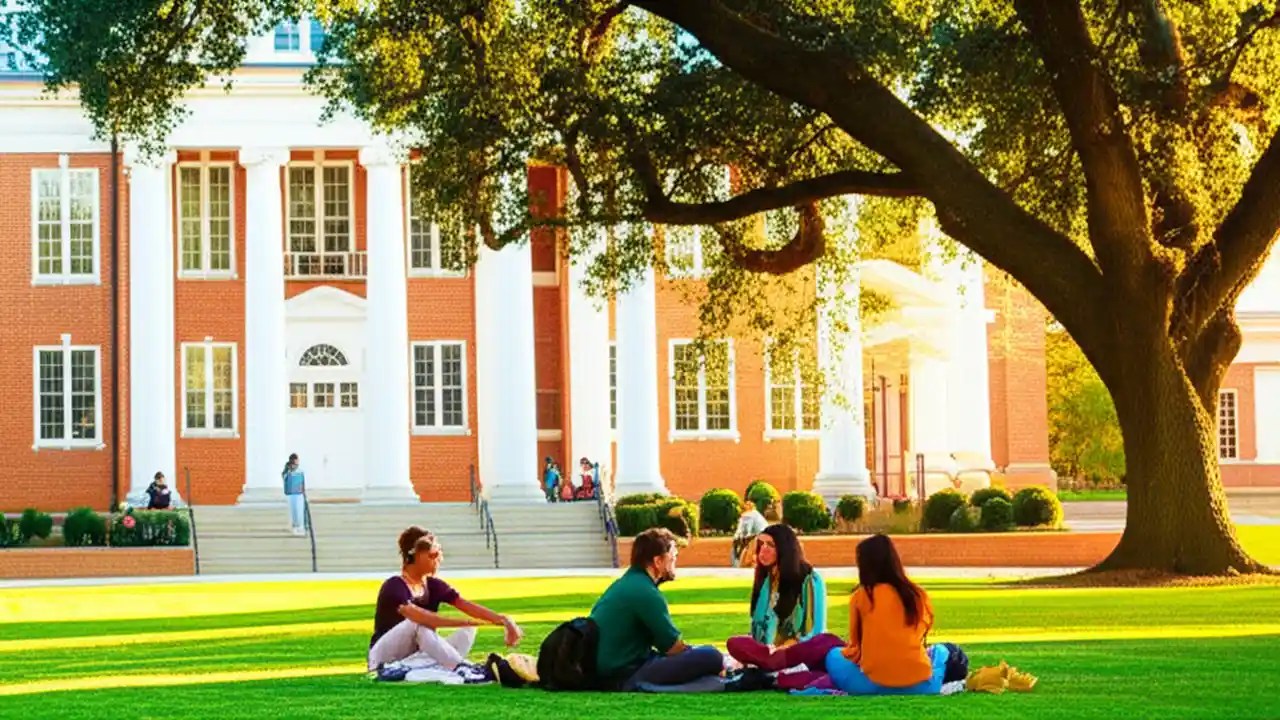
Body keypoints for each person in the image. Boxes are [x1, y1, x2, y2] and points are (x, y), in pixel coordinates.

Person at [368, 526, 524, 671]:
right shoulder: (394, 586)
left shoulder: (433, 585)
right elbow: (422, 617)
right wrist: (465, 621)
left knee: (468, 629)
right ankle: (462, 668)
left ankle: (442, 666)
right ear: (416, 555)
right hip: (383, 657)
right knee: (418, 624)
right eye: (434, 555)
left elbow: (467, 606)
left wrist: (504, 620)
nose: (439, 559)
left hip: (414, 657)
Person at [590, 528, 724, 691]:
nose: (675, 562)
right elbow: (673, 648)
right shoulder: (645, 592)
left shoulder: (627, 584)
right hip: (625, 674)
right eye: (672, 558)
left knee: (702, 655)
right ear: (658, 561)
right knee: (712, 656)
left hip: (608, 671)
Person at [725, 525, 838, 688]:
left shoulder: (810, 579)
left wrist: (782, 649)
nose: (763, 550)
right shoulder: (765, 581)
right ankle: (772, 672)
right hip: (769, 653)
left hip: (797, 650)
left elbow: (815, 629)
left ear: (784, 548)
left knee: (827, 644)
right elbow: (759, 630)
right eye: (761, 544)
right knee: (735, 643)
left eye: (770, 545)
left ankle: (770, 672)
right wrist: (765, 648)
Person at [730, 501, 767, 567]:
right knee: (750, 546)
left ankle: (743, 564)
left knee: (749, 547)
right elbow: (743, 528)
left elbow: (747, 528)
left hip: (761, 534)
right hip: (763, 533)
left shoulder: (750, 515)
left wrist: (741, 536)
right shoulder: (754, 513)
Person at [282, 453, 306, 535]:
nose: (296, 465)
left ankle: (301, 526)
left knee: (300, 510)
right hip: (291, 494)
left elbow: (303, 482)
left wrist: (303, 491)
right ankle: (294, 526)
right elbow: (284, 478)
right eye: (294, 463)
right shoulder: (287, 471)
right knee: (293, 511)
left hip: (299, 494)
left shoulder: (300, 471)